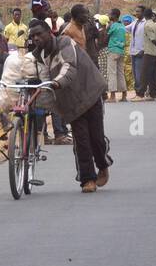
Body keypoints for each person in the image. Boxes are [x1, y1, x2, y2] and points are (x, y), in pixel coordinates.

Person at [27, 20, 110, 193]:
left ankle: (102, 164)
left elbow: (69, 66)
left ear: (50, 32)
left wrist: (57, 82)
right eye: (32, 36)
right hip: (70, 102)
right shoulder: (38, 56)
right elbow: (40, 80)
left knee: (97, 139)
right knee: (82, 141)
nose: (36, 38)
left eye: (39, 34)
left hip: (90, 92)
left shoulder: (65, 42)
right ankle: (87, 179)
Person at [102, 8, 128, 101]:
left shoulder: (113, 26)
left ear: (114, 16)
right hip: (121, 51)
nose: (109, 16)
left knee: (112, 73)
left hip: (113, 50)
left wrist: (107, 27)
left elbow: (106, 37)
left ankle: (112, 96)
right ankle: (124, 95)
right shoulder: (122, 26)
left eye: (110, 14)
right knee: (121, 73)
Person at [141, 7, 156, 99]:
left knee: (146, 74)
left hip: (148, 52)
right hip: (155, 53)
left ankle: (142, 93)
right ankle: (153, 93)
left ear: (144, 15)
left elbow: (153, 39)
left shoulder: (147, 25)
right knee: (153, 74)